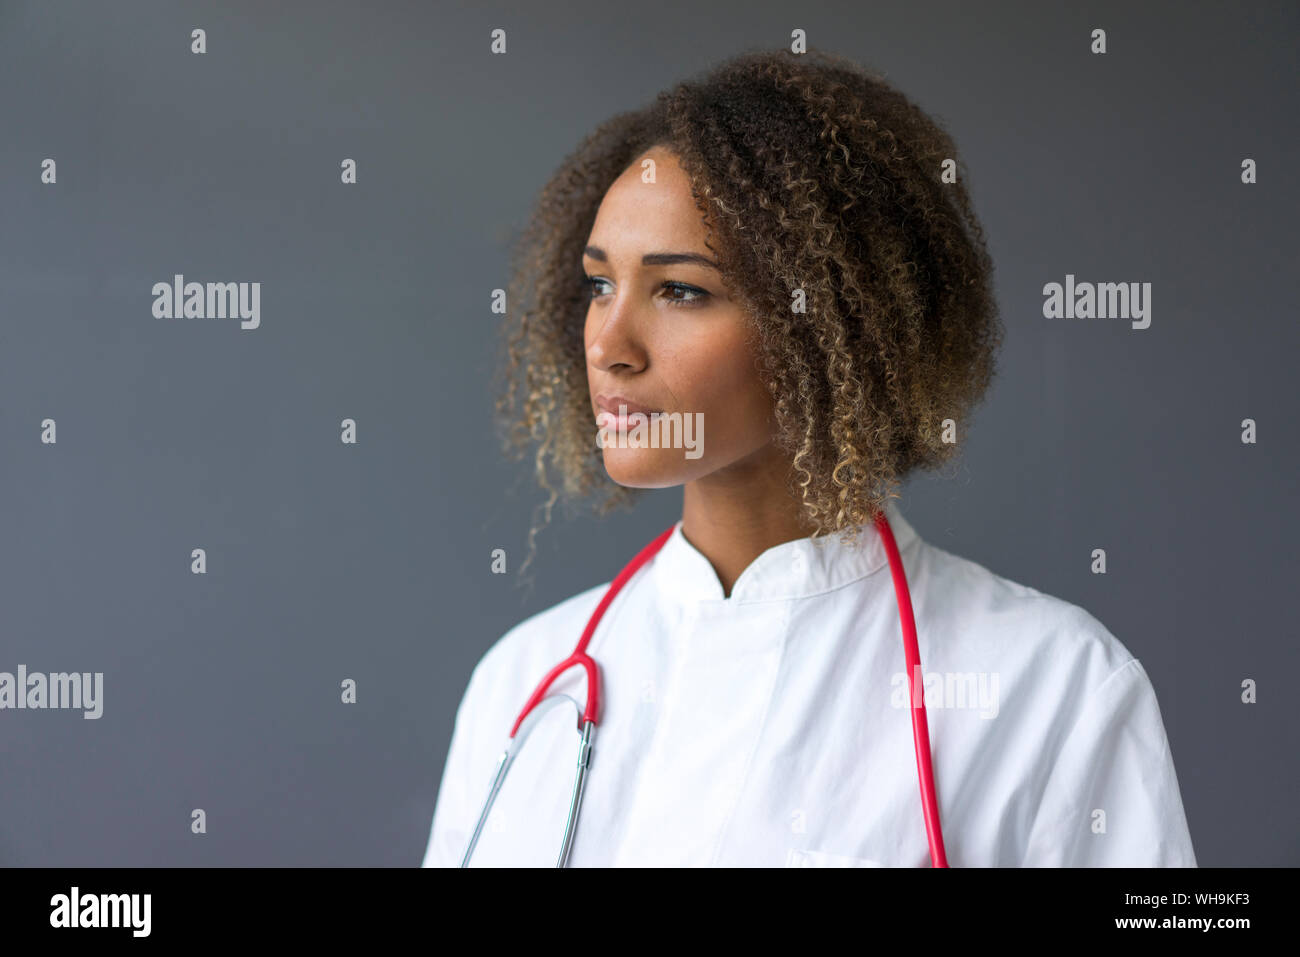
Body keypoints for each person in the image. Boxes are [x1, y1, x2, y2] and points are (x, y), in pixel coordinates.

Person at [422, 49, 1196, 867]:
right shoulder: (525, 684)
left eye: (680, 289)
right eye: (597, 285)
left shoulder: (1053, 691)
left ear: (834, 328)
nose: (607, 344)